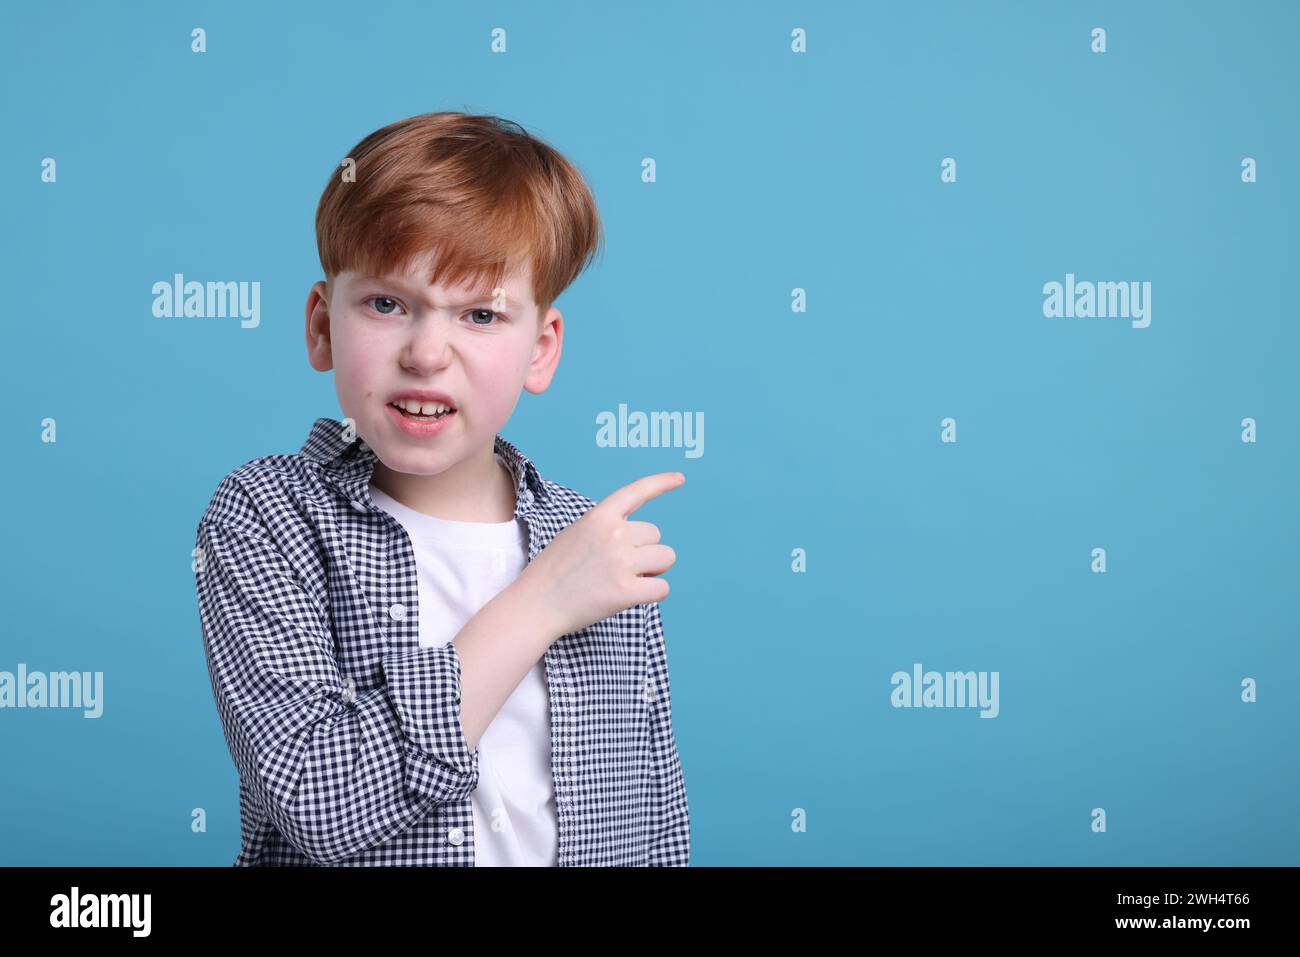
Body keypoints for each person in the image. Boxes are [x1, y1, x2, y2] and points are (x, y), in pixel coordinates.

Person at [192, 112, 690, 866]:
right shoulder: (266, 516)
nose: (427, 354)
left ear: (541, 348)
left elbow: (649, 822)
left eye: (481, 314)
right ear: (322, 326)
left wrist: (572, 577)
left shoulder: (593, 542)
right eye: (387, 304)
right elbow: (318, 804)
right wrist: (543, 601)